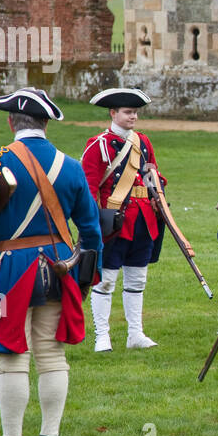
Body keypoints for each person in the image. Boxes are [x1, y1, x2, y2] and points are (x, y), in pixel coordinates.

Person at [0, 88, 101, 436]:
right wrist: (85, 277)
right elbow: (91, 230)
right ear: (46, 123)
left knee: (13, 357)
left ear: (10, 122)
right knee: (51, 354)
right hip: (59, 268)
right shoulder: (71, 166)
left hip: (12, 270)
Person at [81, 88, 165, 351]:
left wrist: (157, 187)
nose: (133, 117)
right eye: (128, 112)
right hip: (114, 223)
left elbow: (153, 175)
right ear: (113, 113)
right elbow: (88, 188)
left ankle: (135, 334)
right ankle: (102, 335)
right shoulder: (99, 145)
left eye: (135, 112)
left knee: (137, 279)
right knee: (106, 280)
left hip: (143, 222)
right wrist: (91, 225)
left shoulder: (143, 142)